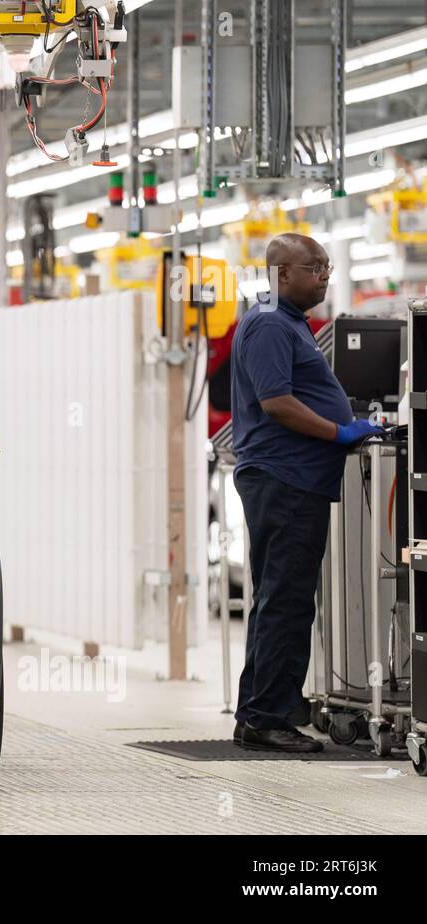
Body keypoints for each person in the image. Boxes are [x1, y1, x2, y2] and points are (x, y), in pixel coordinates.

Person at [230, 232, 386, 752]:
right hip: (285, 478)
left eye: (326, 268)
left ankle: (260, 710)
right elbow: (277, 402)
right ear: (281, 274)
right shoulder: (271, 323)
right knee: (288, 601)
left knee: (279, 598)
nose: (323, 275)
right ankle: (266, 718)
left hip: (291, 479)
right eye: (313, 267)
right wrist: (339, 432)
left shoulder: (287, 321)